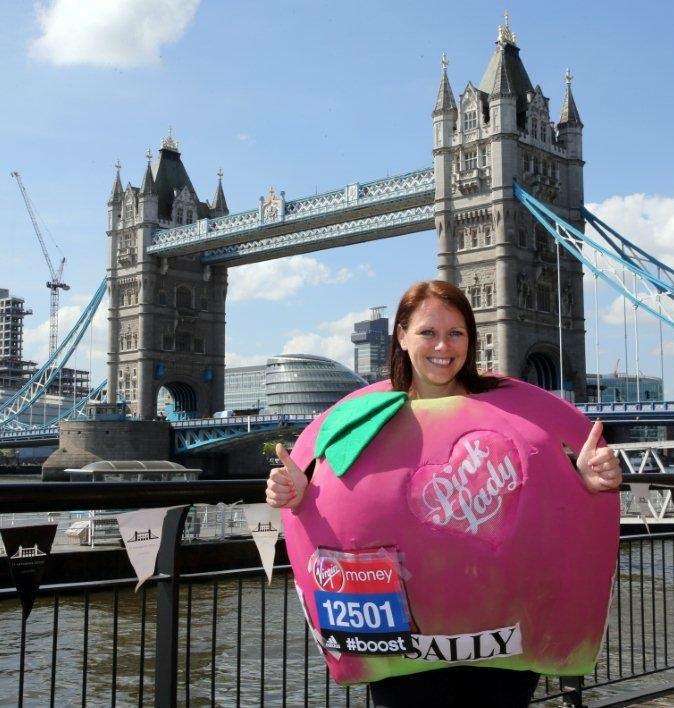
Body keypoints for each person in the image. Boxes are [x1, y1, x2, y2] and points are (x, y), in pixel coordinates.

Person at [266, 280, 622, 707]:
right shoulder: (360, 422)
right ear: (401, 335)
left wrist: (585, 476)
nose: (443, 346)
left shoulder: (519, 412)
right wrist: (301, 492)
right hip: (398, 641)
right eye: (428, 332)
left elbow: (553, 499)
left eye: (456, 333)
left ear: (471, 340)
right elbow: (330, 500)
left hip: (503, 634)